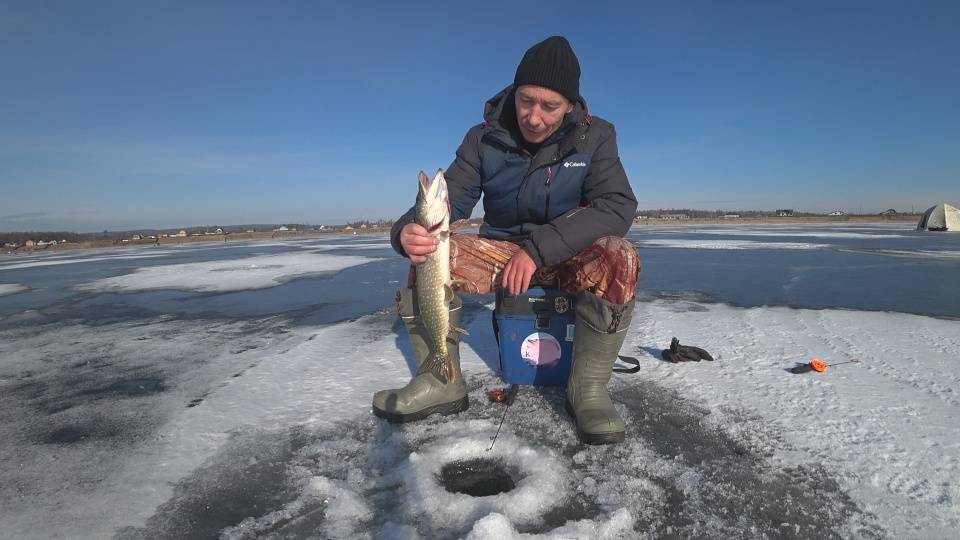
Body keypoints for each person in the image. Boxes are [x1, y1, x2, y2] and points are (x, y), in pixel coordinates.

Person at [372, 36, 641, 445]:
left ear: (570, 105)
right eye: (526, 100)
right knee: (430, 250)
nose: (534, 117)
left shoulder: (596, 136)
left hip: (567, 252)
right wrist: (405, 231)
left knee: (620, 258)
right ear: (514, 93)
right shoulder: (484, 139)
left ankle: (587, 388)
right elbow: (448, 200)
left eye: (549, 106)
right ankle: (441, 379)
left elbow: (617, 206)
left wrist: (538, 250)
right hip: (501, 254)